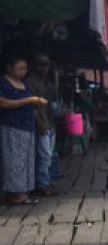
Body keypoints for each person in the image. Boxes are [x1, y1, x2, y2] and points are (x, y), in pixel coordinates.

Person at [0, 53, 48, 205]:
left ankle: (23, 192)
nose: (23, 71)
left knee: (27, 159)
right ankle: (14, 193)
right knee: (14, 160)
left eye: (25, 68)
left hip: (27, 127)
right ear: (9, 67)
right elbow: (4, 103)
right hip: (12, 127)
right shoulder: (4, 83)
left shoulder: (24, 84)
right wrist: (30, 100)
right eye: (19, 68)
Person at [25, 54, 60, 196]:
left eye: (46, 65)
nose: (43, 68)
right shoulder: (30, 82)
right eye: (40, 64)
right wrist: (39, 123)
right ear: (34, 65)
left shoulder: (47, 82)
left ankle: (45, 181)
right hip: (41, 122)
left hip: (50, 122)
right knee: (44, 155)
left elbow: (53, 102)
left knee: (49, 155)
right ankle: (42, 184)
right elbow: (30, 105)